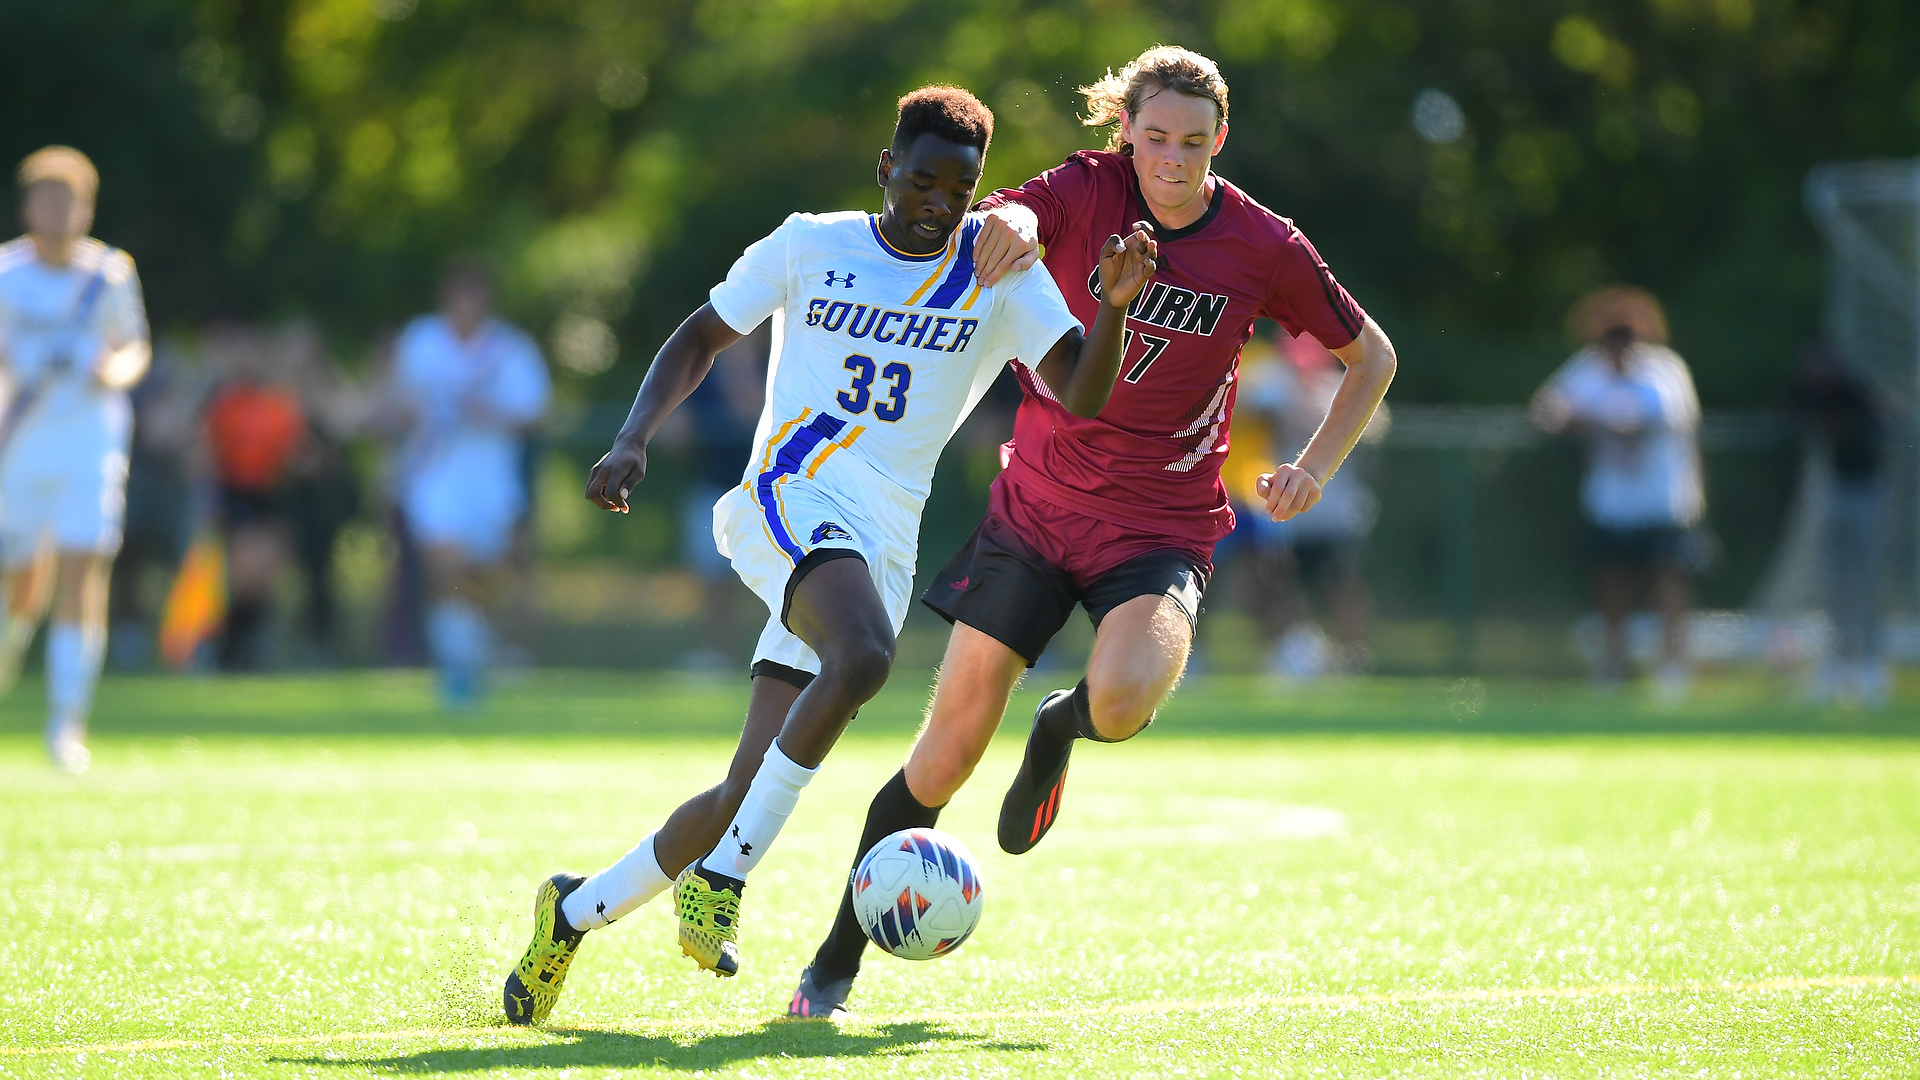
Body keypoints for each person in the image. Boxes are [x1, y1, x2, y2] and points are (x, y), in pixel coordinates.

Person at [501, 85, 1158, 1026]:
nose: (938, 202)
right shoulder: (813, 242)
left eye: (960, 188)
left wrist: (1117, 310)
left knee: (744, 788)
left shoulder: (1000, 272)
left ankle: (571, 911)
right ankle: (722, 881)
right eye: (922, 180)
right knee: (865, 657)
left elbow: (1081, 393)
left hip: (880, 543)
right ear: (887, 168)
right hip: (789, 496)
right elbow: (701, 334)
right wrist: (633, 436)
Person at [788, 46, 1397, 1019]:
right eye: (1155, 137)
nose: (1173, 158)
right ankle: (833, 965)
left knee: (1118, 702)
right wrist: (1013, 225)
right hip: (1037, 508)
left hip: (1162, 524)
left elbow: (1372, 356)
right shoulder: (1086, 185)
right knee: (942, 757)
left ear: (1220, 140)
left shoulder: (1263, 243)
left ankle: (1057, 727)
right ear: (1125, 131)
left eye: (1193, 142)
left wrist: (1313, 469)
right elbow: (1019, 213)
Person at [0, 146, 151, 773]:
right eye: (48, 200)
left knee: (83, 569)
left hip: (90, 443)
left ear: (87, 208)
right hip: (20, 447)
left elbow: (134, 348)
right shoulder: (6, 274)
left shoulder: (110, 274)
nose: (59, 212)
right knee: (20, 586)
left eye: (72, 201)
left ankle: (67, 722)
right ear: (28, 206)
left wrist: (113, 371)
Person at [389, 260, 550, 705]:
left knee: (479, 579)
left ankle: (470, 656)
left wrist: (493, 413)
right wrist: (418, 411)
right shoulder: (422, 341)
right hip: (435, 475)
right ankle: (457, 667)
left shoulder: (509, 348)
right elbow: (398, 397)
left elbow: (536, 410)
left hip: (491, 482)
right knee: (447, 565)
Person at [1530, 286, 1703, 700]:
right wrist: (1589, 421)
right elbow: (1547, 411)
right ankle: (1613, 666)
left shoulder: (1663, 370)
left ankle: (1672, 669)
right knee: (1611, 584)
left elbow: (1667, 417)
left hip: (1663, 499)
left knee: (1668, 583)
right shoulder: (1587, 370)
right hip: (1611, 502)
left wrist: (1605, 419)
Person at [1223, 326, 1385, 678]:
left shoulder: (1335, 389)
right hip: (1289, 516)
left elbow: (1377, 423)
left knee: (1339, 587)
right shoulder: (1276, 387)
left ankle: (1352, 658)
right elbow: (1246, 401)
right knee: (1278, 588)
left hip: (1334, 515)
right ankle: (1300, 654)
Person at [202, 325, 309, 670]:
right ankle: (224, 646)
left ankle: (249, 646)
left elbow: (295, 454)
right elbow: (208, 452)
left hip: (269, 497)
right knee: (239, 573)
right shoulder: (224, 403)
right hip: (233, 495)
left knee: (263, 576)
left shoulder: (281, 405)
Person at [1788, 340, 1888, 706]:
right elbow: (1785, 413)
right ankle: (1838, 661)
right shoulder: (1811, 395)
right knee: (1835, 582)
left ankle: (1870, 663)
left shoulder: (1854, 393)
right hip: (1832, 492)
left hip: (1865, 493)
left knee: (1865, 580)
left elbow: (1879, 422)